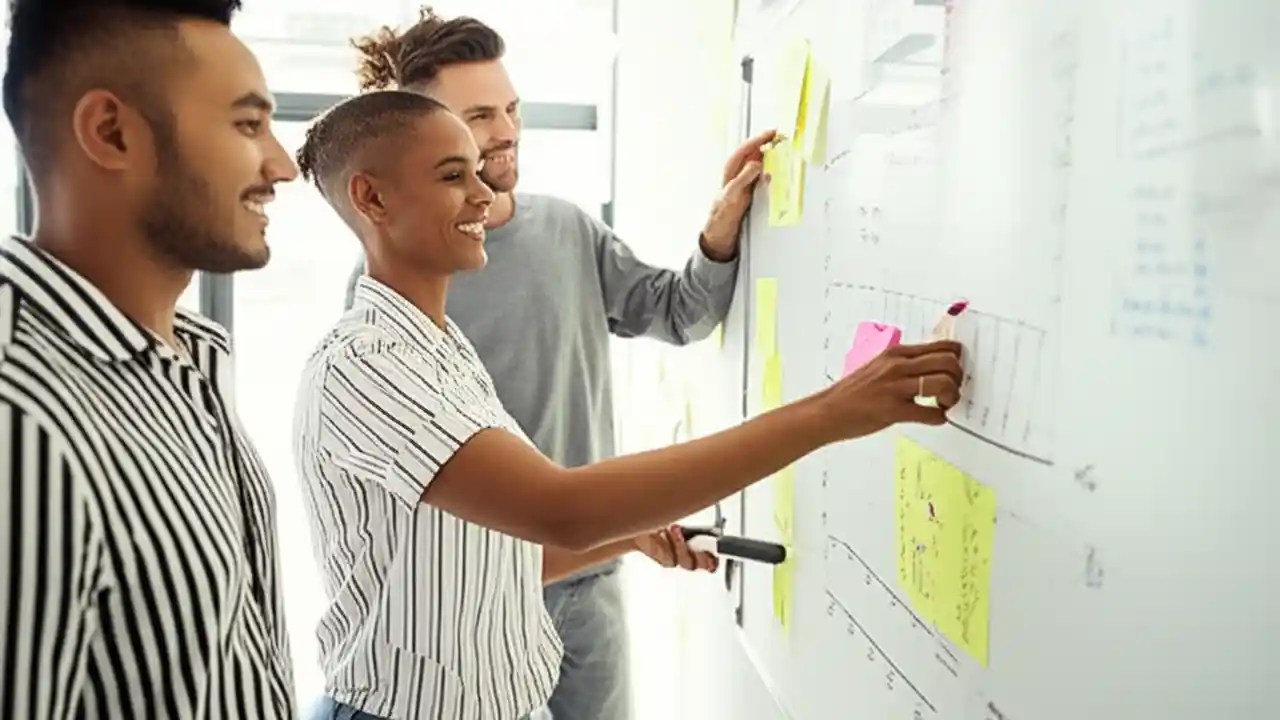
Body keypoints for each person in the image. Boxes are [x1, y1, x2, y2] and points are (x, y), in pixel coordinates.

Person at [292, 91, 963, 720]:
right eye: (451, 176)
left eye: (477, 169)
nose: (482, 191)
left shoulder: (441, 345)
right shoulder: (369, 362)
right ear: (372, 198)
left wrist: (632, 537)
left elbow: (480, 558)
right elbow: (560, 510)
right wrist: (830, 412)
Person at [339, 10, 774, 718]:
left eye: (511, 108)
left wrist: (720, 229)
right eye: (479, 116)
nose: (506, 130)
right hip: (472, 604)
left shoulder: (566, 228)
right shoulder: (398, 282)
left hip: (590, 588)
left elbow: (679, 312)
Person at [0, 0, 300, 717]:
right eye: (248, 124)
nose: (282, 165)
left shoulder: (189, 363)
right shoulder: (22, 420)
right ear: (111, 133)